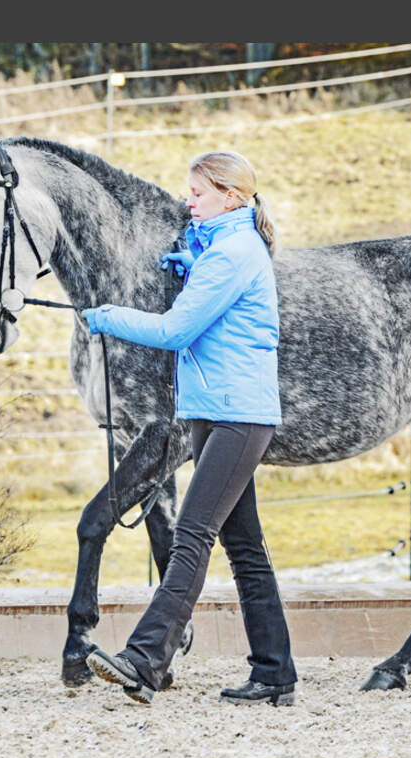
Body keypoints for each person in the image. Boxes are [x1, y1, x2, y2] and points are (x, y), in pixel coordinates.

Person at [81, 150, 297, 707]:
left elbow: (177, 330)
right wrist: (190, 267)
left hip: (237, 415)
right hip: (217, 412)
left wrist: (107, 317)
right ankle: (274, 673)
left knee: (192, 535)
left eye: (197, 193)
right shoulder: (221, 250)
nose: (187, 200)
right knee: (243, 545)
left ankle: (145, 660)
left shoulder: (233, 252)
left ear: (230, 196)